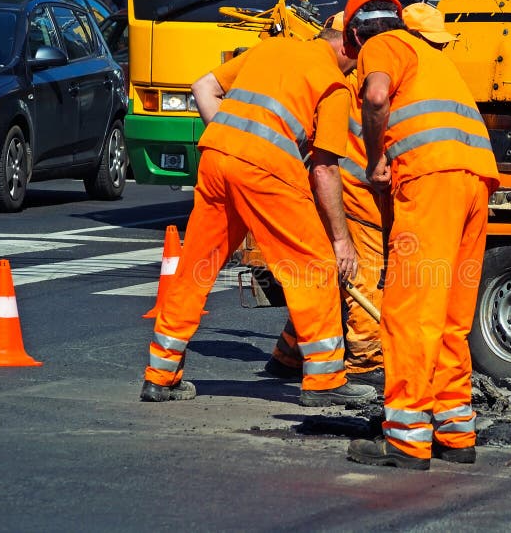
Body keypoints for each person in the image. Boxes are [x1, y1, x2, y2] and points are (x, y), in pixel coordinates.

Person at [139, 31, 377, 408]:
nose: (359, 74)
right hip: (266, 171)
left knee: (196, 268)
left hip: (218, 157)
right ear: (349, 49)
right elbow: (325, 169)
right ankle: (326, 380)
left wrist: (235, 143)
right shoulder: (334, 84)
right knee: (313, 268)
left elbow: (203, 86)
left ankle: (160, 376)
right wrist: (341, 240)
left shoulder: (272, 48)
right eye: (360, 64)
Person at [341, 0, 500, 470]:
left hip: (431, 180)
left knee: (410, 308)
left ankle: (407, 437)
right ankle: (456, 433)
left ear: (355, 33)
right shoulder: (432, 56)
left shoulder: (382, 45)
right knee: (451, 313)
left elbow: (374, 97)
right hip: (475, 180)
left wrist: (375, 158)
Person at [264, 12, 386, 390]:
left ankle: (289, 353)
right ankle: (367, 361)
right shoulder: (355, 81)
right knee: (364, 274)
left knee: (330, 279)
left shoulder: (338, 78)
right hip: (353, 189)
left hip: (336, 184)